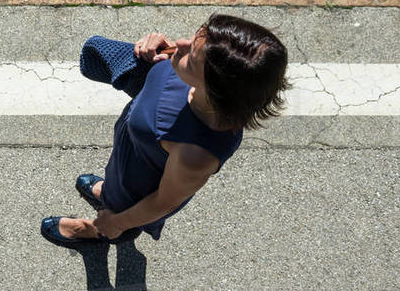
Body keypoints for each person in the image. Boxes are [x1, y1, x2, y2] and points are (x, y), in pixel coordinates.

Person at [41, 13, 290, 247]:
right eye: (194, 39)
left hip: (137, 186)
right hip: (131, 154)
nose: (180, 43)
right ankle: (107, 192)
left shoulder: (197, 154)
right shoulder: (199, 72)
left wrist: (117, 223)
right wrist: (162, 51)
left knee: (115, 215)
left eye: (191, 57)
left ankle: (94, 230)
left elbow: (164, 201)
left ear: (216, 90)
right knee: (112, 188)